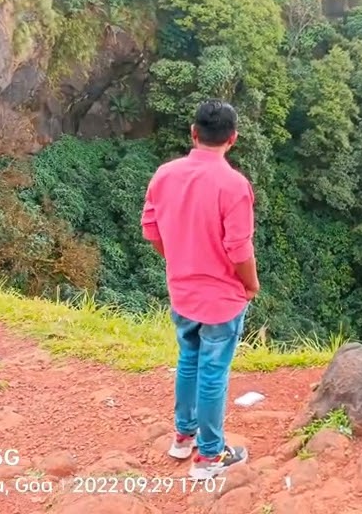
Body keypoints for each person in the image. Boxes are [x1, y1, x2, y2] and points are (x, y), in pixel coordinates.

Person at [141, 99, 259, 480]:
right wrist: (251, 284)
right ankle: (210, 455)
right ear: (232, 139)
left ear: (193, 133)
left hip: (183, 291)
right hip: (222, 299)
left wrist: (177, 258)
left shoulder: (164, 175)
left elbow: (151, 230)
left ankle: (183, 436)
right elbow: (239, 249)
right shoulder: (234, 186)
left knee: (188, 359)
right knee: (212, 373)